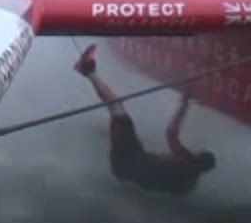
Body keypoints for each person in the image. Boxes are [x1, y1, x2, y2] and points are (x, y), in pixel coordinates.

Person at [73, 44, 216, 195]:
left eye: (196, 153)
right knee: (120, 130)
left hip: (129, 159)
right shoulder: (189, 185)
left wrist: (184, 104)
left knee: (116, 105)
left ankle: (87, 71)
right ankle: (108, 135)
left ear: (196, 158)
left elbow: (170, 133)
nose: (193, 151)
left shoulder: (186, 160)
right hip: (128, 168)